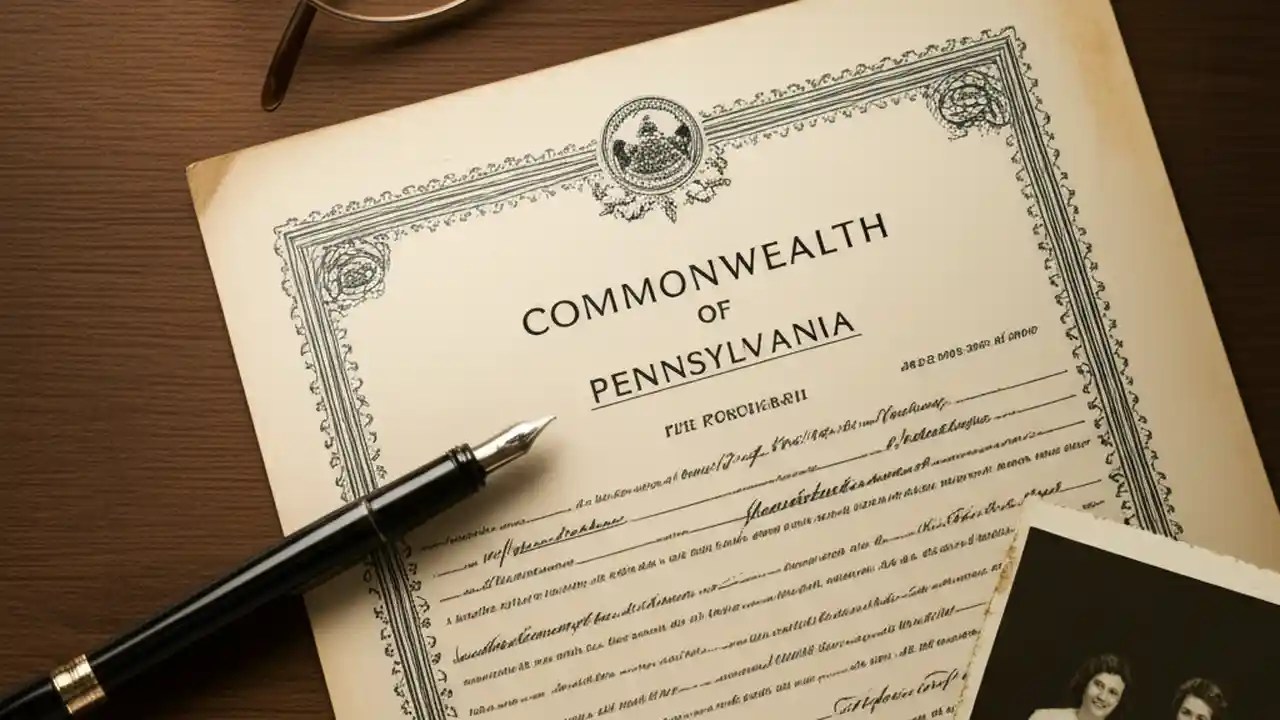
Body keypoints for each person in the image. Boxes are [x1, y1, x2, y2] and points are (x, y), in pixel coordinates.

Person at [1028, 653, 1132, 720]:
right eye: (1099, 685)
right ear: (1086, 684)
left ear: (1119, 701)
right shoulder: (1044, 718)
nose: (1102, 697)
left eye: (1113, 692)